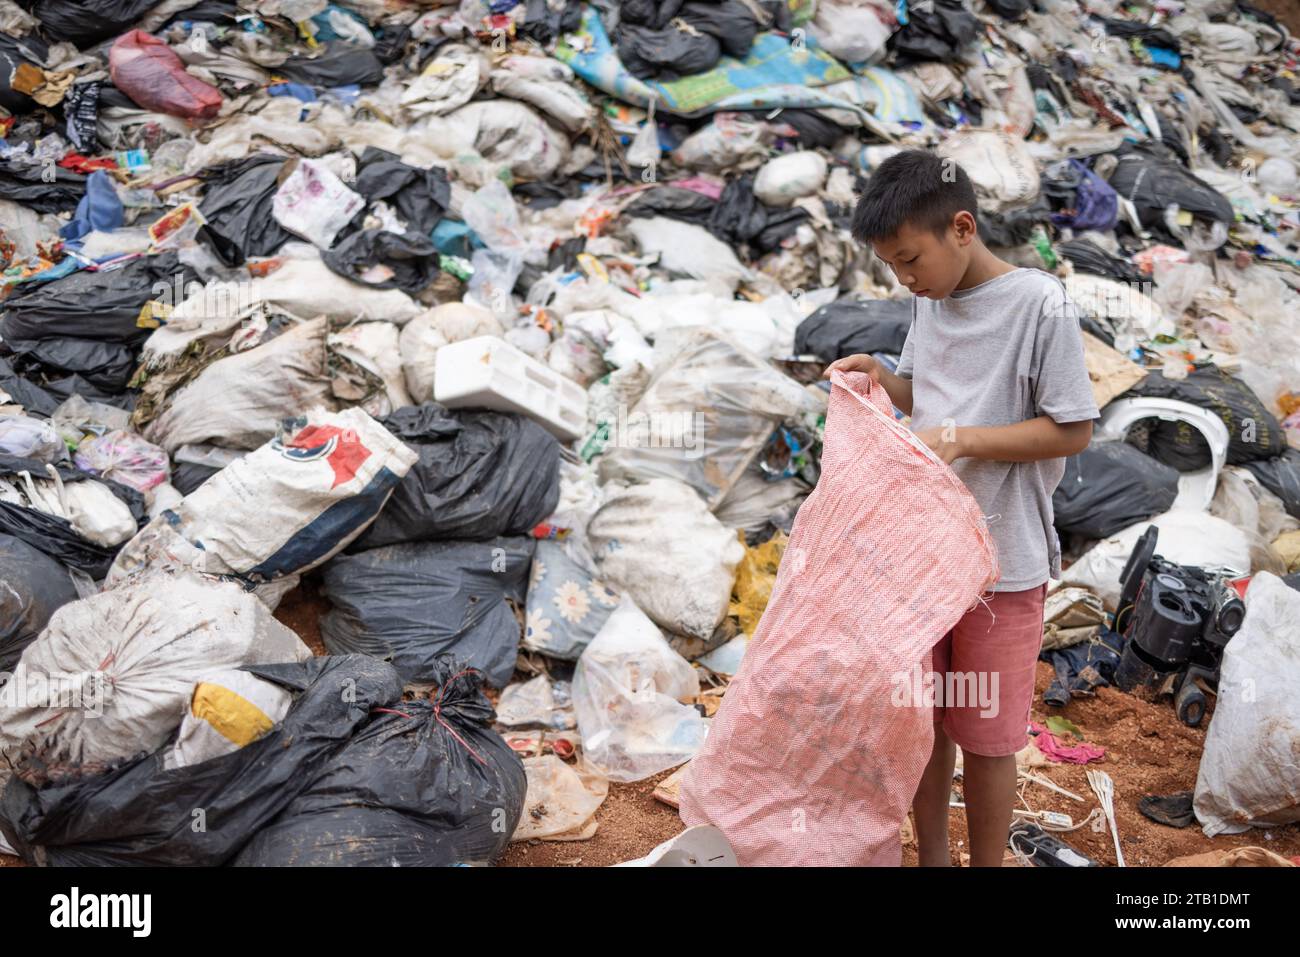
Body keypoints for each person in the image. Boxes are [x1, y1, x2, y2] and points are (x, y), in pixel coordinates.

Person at [825, 149, 1099, 866]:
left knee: (986, 735)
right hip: (923, 560)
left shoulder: (1041, 305)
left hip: (1002, 567)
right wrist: (881, 379)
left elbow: (1073, 426)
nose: (904, 279)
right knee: (923, 726)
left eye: (910, 258)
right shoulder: (930, 300)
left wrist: (965, 439)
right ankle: (934, 861)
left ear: (962, 228)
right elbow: (925, 391)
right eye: (891, 267)